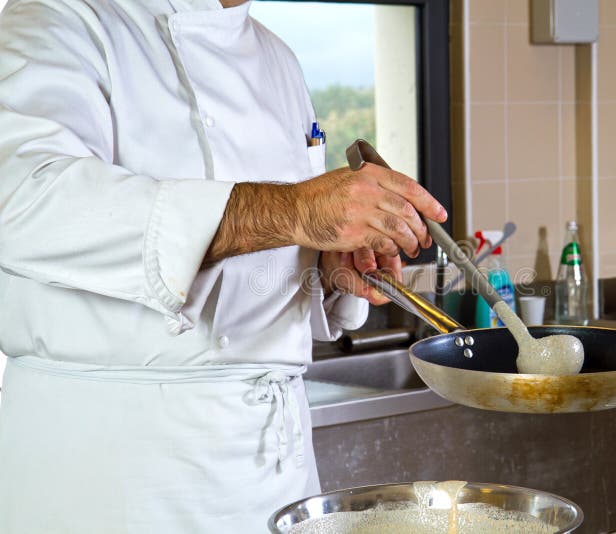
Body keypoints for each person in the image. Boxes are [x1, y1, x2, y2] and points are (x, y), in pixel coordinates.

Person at [0, 0, 447, 532]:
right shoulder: (60, 18)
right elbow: (22, 201)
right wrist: (296, 210)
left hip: (275, 470)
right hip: (117, 474)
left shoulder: (278, 58)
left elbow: (270, 241)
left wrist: (325, 266)